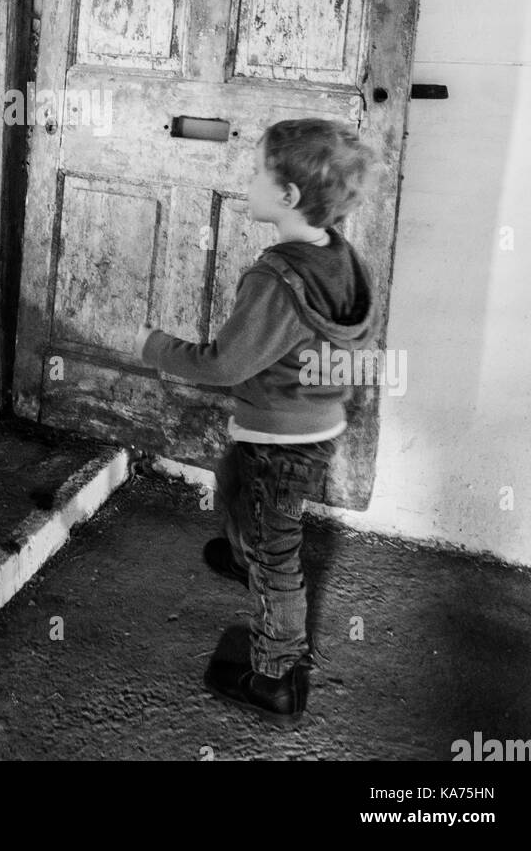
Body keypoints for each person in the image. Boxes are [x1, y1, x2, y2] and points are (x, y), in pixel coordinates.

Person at [133, 118, 380, 728]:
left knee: (277, 552)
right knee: (235, 483)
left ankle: (274, 675)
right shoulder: (342, 257)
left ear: (288, 198)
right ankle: (246, 552)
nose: (245, 178)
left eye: (256, 170)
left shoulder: (275, 279)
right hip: (311, 429)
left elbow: (224, 364)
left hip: (278, 437)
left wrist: (155, 346)